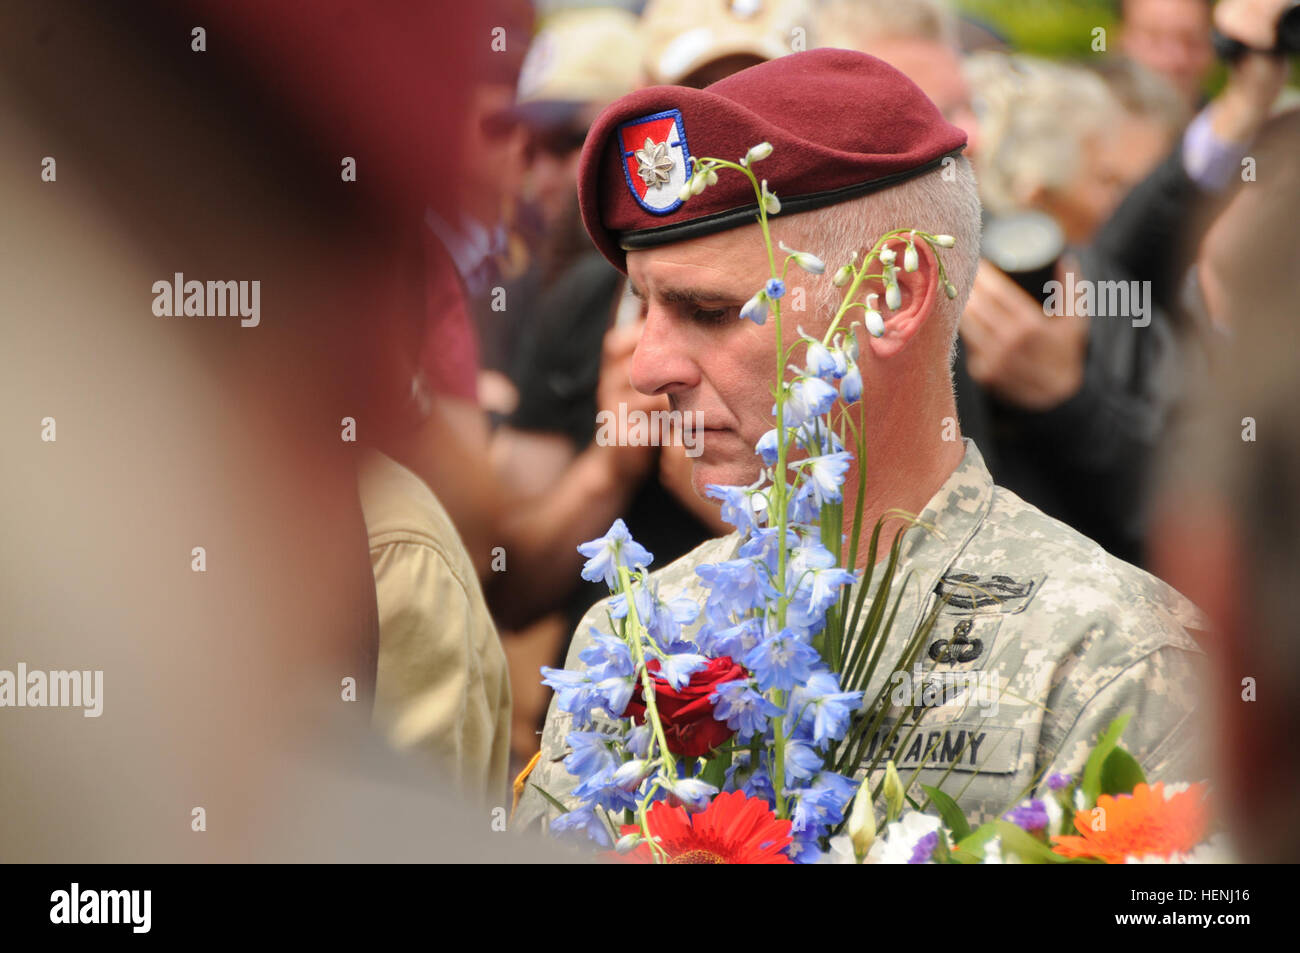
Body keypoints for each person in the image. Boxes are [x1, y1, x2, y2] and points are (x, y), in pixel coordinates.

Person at [513, 48, 1207, 833]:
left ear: (894, 293)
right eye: (642, 306)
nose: (647, 368)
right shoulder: (635, 636)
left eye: (707, 310)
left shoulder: (1109, 659)